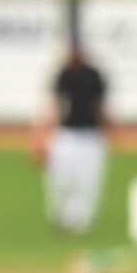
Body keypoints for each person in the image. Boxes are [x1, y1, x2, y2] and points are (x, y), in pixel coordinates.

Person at [34, 40, 110, 235]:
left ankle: (82, 222)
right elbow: (54, 106)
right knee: (59, 179)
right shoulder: (63, 75)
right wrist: (42, 136)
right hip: (66, 134)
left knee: (88, 181)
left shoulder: (94, 76)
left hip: (91, 135)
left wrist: (108, 130)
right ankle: (61, 217)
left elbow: (100, 106)